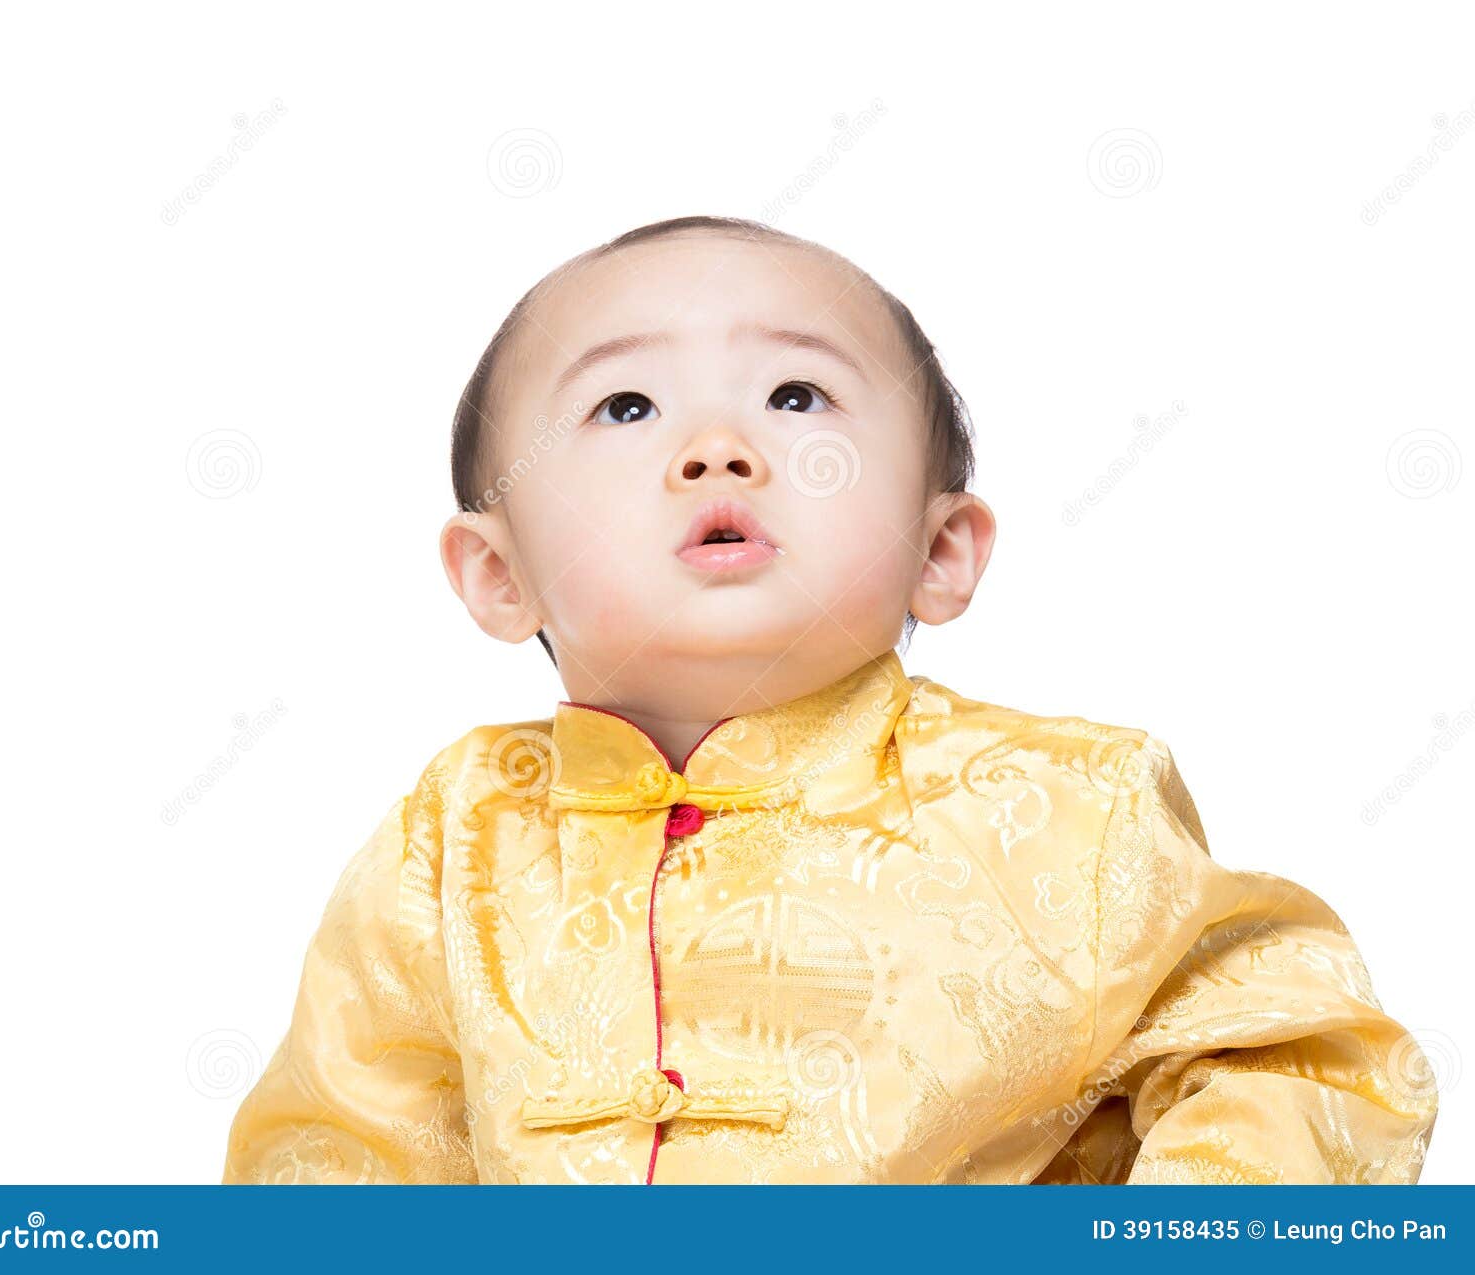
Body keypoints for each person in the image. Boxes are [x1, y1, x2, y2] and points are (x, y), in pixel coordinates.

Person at [222, 216, 1438, 1185]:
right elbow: (341, 1153)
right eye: (626, 407)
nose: (716, 449)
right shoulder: (452, 848)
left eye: (796, 397)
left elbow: (1295, 1054)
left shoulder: (1056, 810)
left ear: (940, 551)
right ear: (498, 577)